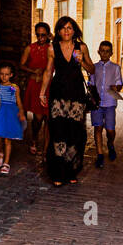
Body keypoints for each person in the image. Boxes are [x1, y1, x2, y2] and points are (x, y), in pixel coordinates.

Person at [39, 16, 94, 186]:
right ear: (58, 31)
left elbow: (92, 69)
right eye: (63, 28)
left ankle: (71, 171)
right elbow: (48, 72)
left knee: (75, 133)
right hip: (58, 95)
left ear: (74, 30)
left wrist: (82, 61)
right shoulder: (52, 48)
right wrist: (42, 93)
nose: (66, 31)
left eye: (69, 28)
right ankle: (57, 173)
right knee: (58, 132)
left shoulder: (81, 47)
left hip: (76, 95)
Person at [0, 61, 25, 175]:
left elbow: (18, 101)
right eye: (2, 74)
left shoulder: (14, 88)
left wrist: (21, 112)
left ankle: (6, 163)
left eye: (7, 74)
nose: (4, 76)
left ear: (11, 75)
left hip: (11, 115)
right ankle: (1, 152)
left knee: (8, 139)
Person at [20, 21, 52, 155]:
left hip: (49, 85)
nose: (40, 38)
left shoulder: (52, 48)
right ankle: (34, 139)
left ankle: (46, 146)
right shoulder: (30, 48)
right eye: (38, 35)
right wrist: (33, 71)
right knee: (37, 118)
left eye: (43, 35)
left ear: (48, 35)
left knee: (49, 117)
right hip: (35, 84)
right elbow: (21, 65)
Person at [91, 39, 123, 167]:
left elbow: (119, 84)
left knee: (110, 130)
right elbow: (91, 84)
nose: (104, 53)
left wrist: (117, 87)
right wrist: (92, 97)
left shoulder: (115, 68)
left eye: (107, 51)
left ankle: (110, 143)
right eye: (102, 51)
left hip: (110, 102)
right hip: (97, 103)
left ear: (111, 53)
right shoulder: (94, 67)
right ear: (98, 52)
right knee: (98, 127)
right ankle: (100, 154)